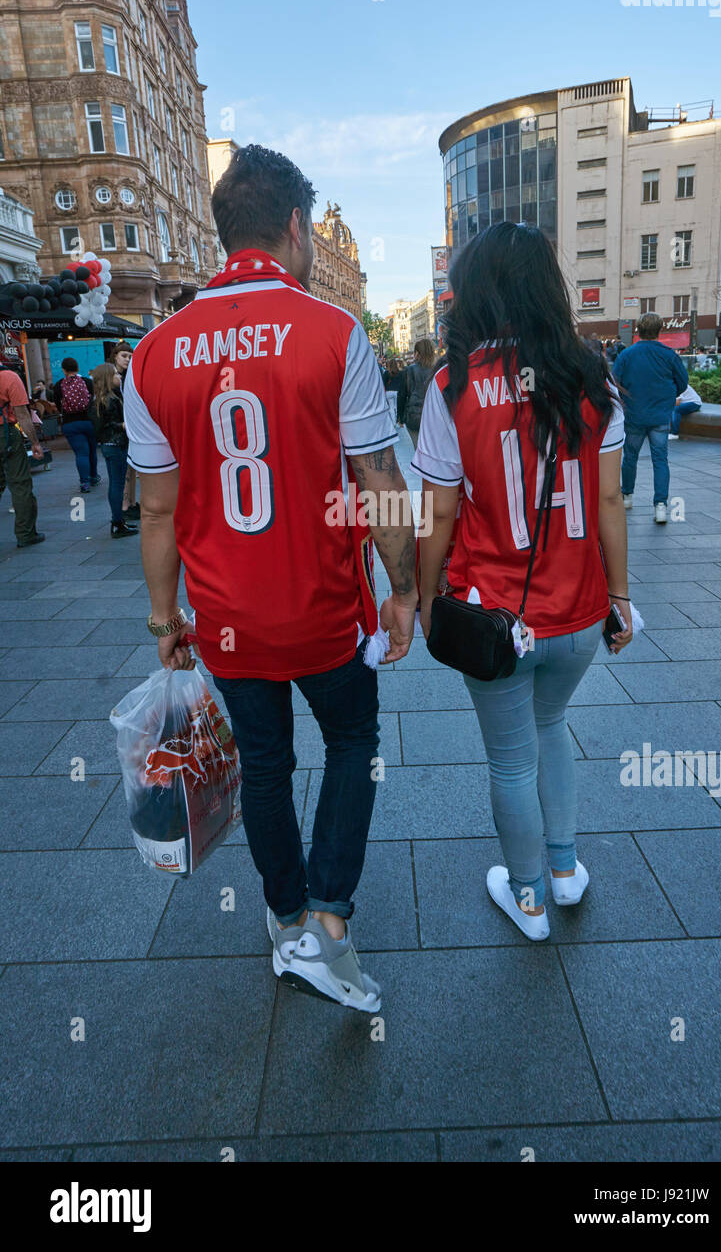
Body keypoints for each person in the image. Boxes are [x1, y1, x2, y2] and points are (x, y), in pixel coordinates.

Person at [124, 143, 417, 1012]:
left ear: (223, 235)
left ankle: (286, 918)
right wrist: (402, 591)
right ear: (295, 226)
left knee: (262, 761)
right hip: (325, 609)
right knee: (352, 744)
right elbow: (379, 480)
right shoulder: (333, 333)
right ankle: (329, 916)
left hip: (227, 618)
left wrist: (161, 614)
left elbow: (156, 511)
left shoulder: (155, 351)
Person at [414, 221, 631, 941]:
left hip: (492, 613)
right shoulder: (592, 375)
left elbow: (438, 509)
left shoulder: (452, 385)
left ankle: (529, 897)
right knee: (552, 727)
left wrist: (421, 596)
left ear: (471, 293)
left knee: (510, 758)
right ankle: (565, 871)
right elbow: (605, 501)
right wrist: (620, 598)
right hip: (578, 612)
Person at [612, 313, 688, 523]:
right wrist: (667, 396)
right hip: (660, 415)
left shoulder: (627, 354)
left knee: (630, 456)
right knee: (660, 459)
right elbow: (682, 382)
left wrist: (626, 398)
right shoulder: (669, 354)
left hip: (634, 414)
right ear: (659, 330)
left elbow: (614, 382)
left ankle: (627, 496)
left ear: (638, 330)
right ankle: (661, 506)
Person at [89, 363, 138, 538]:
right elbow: (105, 425)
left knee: (115, 484)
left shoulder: (100, 399)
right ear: (109, 378)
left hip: (109, 446)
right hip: (116, 445)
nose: (120, 376)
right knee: (117, 484)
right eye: (116, 374)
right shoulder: (110, 399)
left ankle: (118, 522)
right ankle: (117, 523)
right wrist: (122, 425)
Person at [0, 361, 45, 547]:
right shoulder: (9, 377)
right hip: (5, 435)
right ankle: (26, 534)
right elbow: (23, 415)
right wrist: (34, 442)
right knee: (20, 484)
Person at [53, 357, 100, 494]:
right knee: (92, 451)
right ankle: (94, 477)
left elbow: (57, 404)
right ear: (77, 368)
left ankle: (84, 483)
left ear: (63, 370)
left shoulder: (58, 385)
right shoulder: (87, 382)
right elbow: (94, 400)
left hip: (70, 424)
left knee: (81, 454)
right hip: (89, 421)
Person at [111, 342, 139, 521]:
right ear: (115, 356)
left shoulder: (126, 375)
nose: (127, 359)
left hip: (127, 428)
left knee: (131, 468)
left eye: (130, 356)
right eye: (124, 356)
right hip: (118, 430)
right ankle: (124, 506)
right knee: (122, 472)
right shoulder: (112, 377)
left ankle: (131, 504)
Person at [403, 337, 436, 446]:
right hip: (434, 415)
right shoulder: (439, 369)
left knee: (418, 449)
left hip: (414, 416)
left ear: (417, 353)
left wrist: (401, 416)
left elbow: (403, 394)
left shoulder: (410, 370)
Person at [384, 357, 404, 428]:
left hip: (388, 392)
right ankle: (398, 420)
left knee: (391, 408)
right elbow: (402, 383)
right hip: (397, 392)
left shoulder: (386, 373)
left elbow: (383, 383)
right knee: (397, 407)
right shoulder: (400, 373)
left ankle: (393, 423)